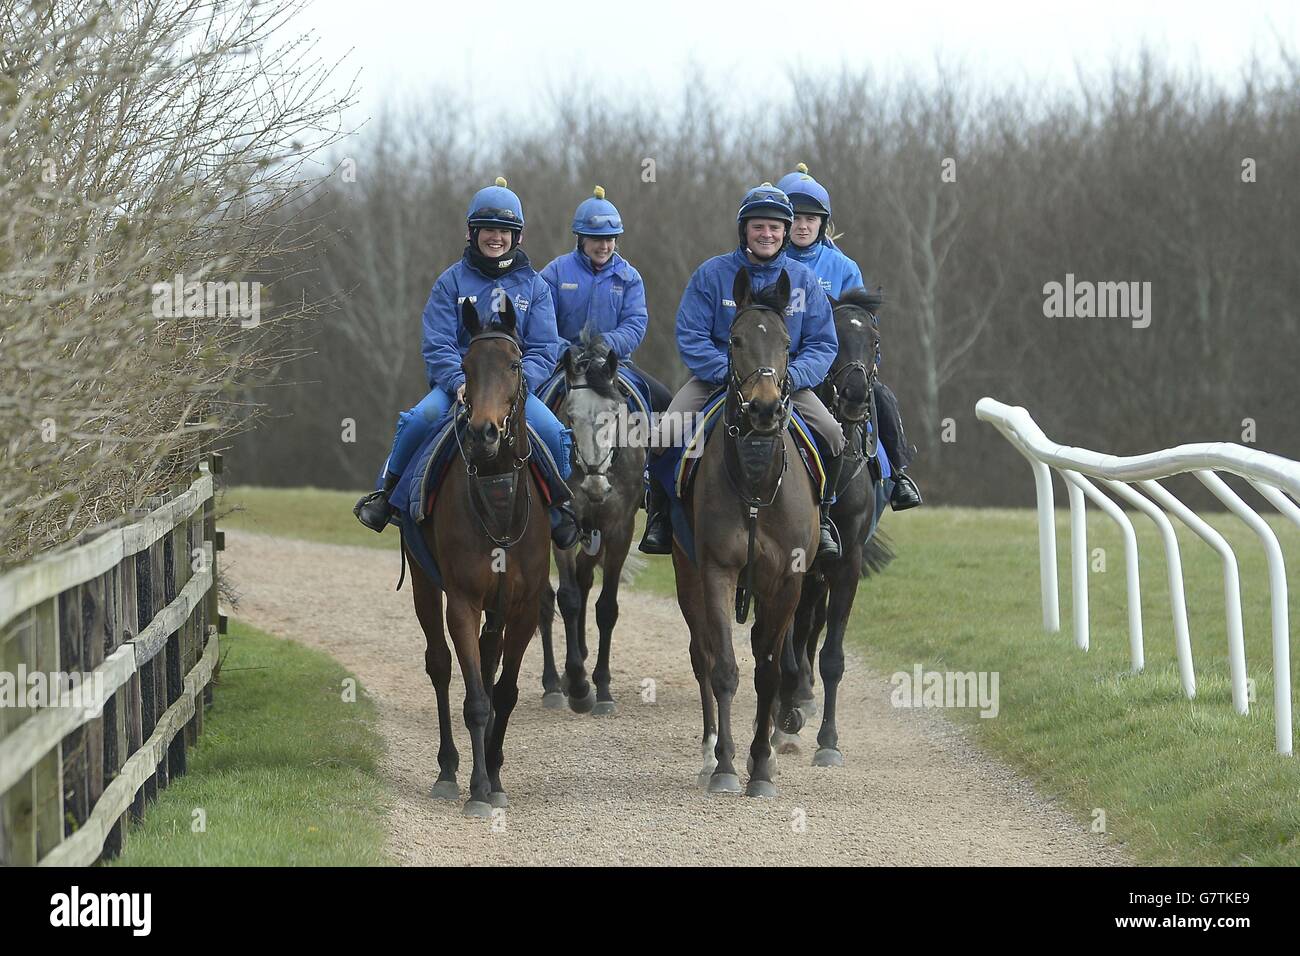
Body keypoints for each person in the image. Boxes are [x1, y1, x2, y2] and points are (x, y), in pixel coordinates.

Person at [353, 177, 581, 548]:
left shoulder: (535, 287)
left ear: (518, 237)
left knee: (554, 433)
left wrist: (518, 386)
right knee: (418, 420)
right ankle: (386, 496)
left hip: (511, 390)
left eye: (505, 231)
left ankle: (560, 510)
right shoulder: (450, 282)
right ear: (472, 233)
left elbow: (543, 348)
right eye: (489, 230)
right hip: (459, 387)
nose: (497, 238)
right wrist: (456, 381)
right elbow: (438, 342)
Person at [638, 183, 845, 558]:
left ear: (785, 233)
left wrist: (793, 377)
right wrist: (727, 373)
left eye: (775, 227)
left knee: (832, 434)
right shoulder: (711, 274)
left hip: (785, 382)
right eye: (758, 226)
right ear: (744, 230)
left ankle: (825, 517)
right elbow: (691, 335)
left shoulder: (804, 282)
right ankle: (660, 515)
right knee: (664, 434)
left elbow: (823, 343)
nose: (767, 234)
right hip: (718, 379)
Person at [775, 163, 923, 511]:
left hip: (832, 367)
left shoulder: (843, 267)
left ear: (822, 223)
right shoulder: (767, 260)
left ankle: (898, 474)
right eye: (795, 217)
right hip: (777, 365)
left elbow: (862, 326)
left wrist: (863, 366)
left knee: (882, 396)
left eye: (811, 218)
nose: (802, 225)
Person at [539, 185, 672, 412]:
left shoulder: (629, 277)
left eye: (610, 239)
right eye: (596, 239)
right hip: (562, 363)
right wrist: (565, 350)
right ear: (581, 238)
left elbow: (635, 323)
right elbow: (542, 323)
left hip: (614, 363)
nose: (604, 246)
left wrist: (606, 344)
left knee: (664, 401)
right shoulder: (555, 272)